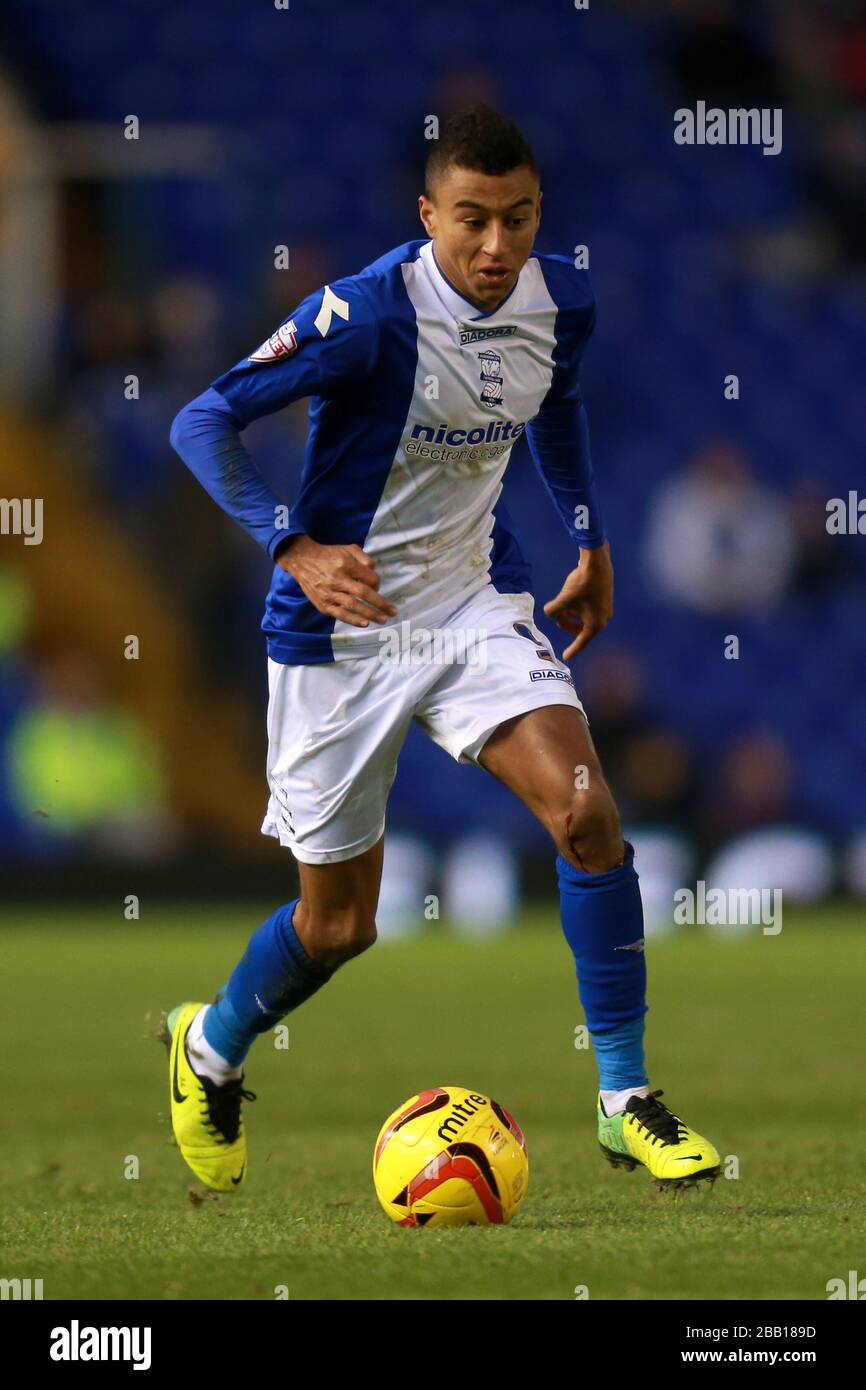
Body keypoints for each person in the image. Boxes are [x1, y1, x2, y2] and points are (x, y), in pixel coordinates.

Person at [168, 105, 719, 1198]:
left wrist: (589, 537)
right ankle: (208, 1049)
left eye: (516, 220)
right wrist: (293, 548)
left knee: (585, 811)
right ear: (427, 214)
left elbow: (553, 402)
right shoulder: (365, 315)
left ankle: (623, 1101)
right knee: (337, 927)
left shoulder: (562, 299)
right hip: (341, 628)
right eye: (469, 219)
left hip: (470, 600)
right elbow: (200, 419)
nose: (494, 247)